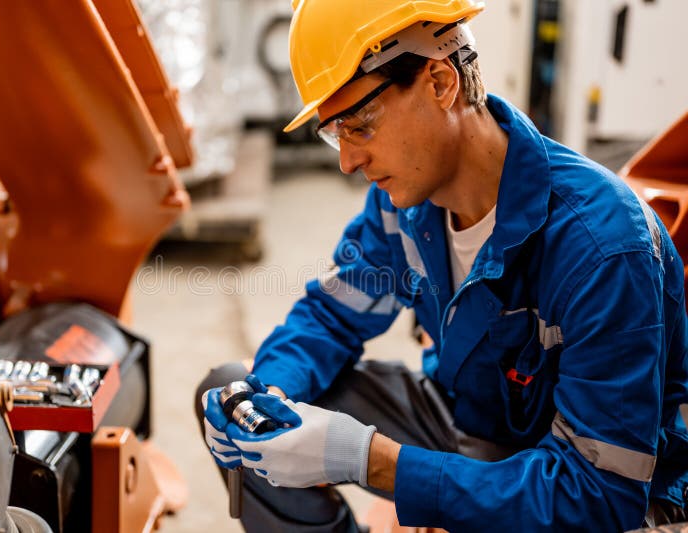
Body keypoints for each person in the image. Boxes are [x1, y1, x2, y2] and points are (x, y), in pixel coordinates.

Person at [195, 0, 688, 530]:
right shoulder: (404, 205)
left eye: (359, 125)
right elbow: (332, 316)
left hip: (573, 481)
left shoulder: (602, 248)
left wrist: (377, 463)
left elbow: (597, 496)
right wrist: (262, 393)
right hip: (464, 415)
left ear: (439, 82)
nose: (347, 161)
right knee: (235, 392)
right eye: (334, 133)